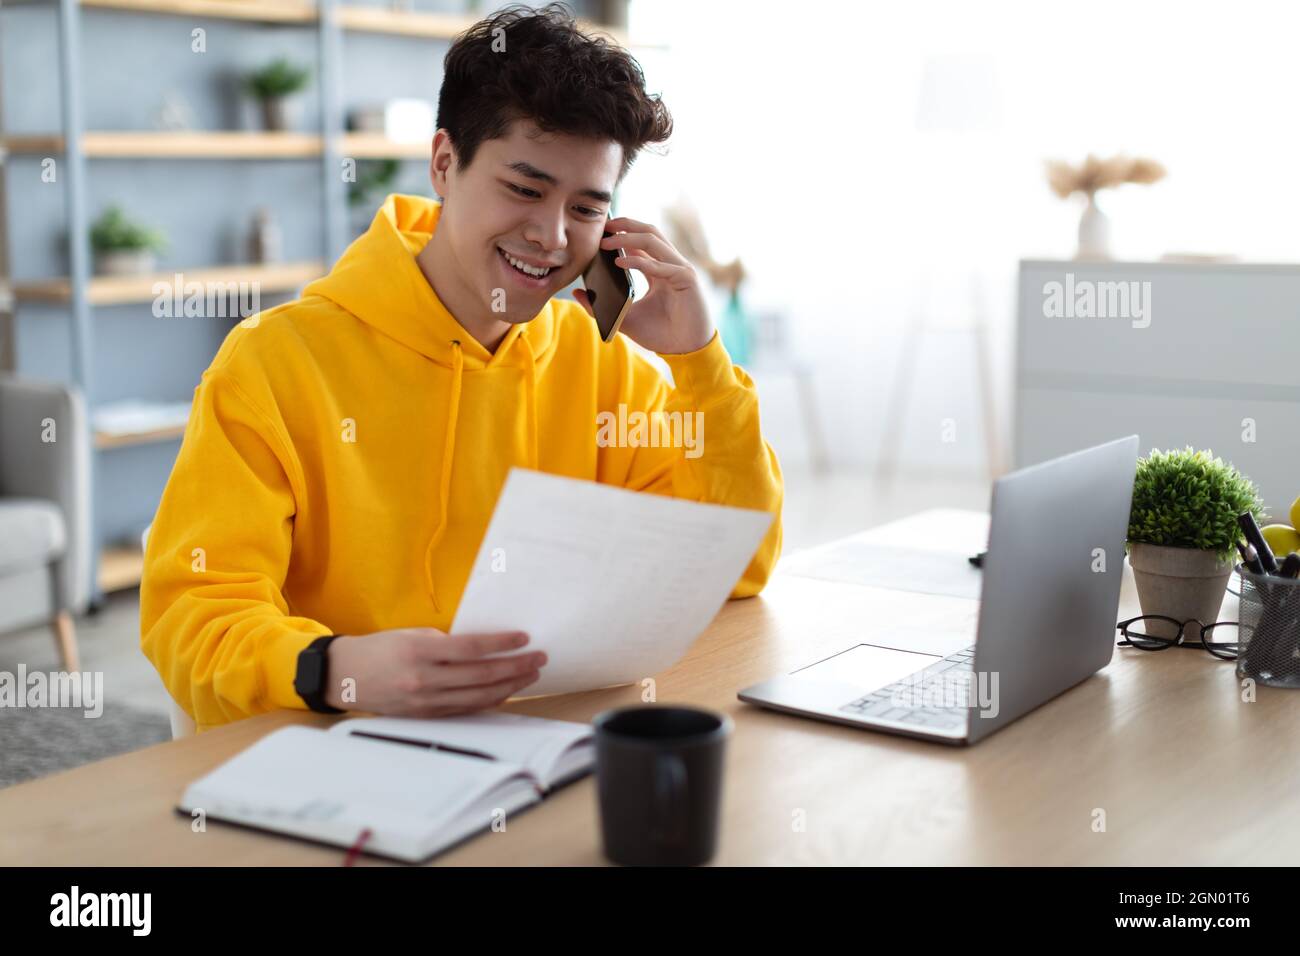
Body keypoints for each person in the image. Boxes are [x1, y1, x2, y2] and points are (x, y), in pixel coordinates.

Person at [141, 4, 783, 731]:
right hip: (333, 754)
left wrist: (701, 364)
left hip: (545, 752)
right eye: (525, 188)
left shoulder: (607, 368)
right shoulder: (274, 363)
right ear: (445, 163)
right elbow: (190, 613)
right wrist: (336, 668)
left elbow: (735, 570)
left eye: (586, 208)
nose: (551, 236)